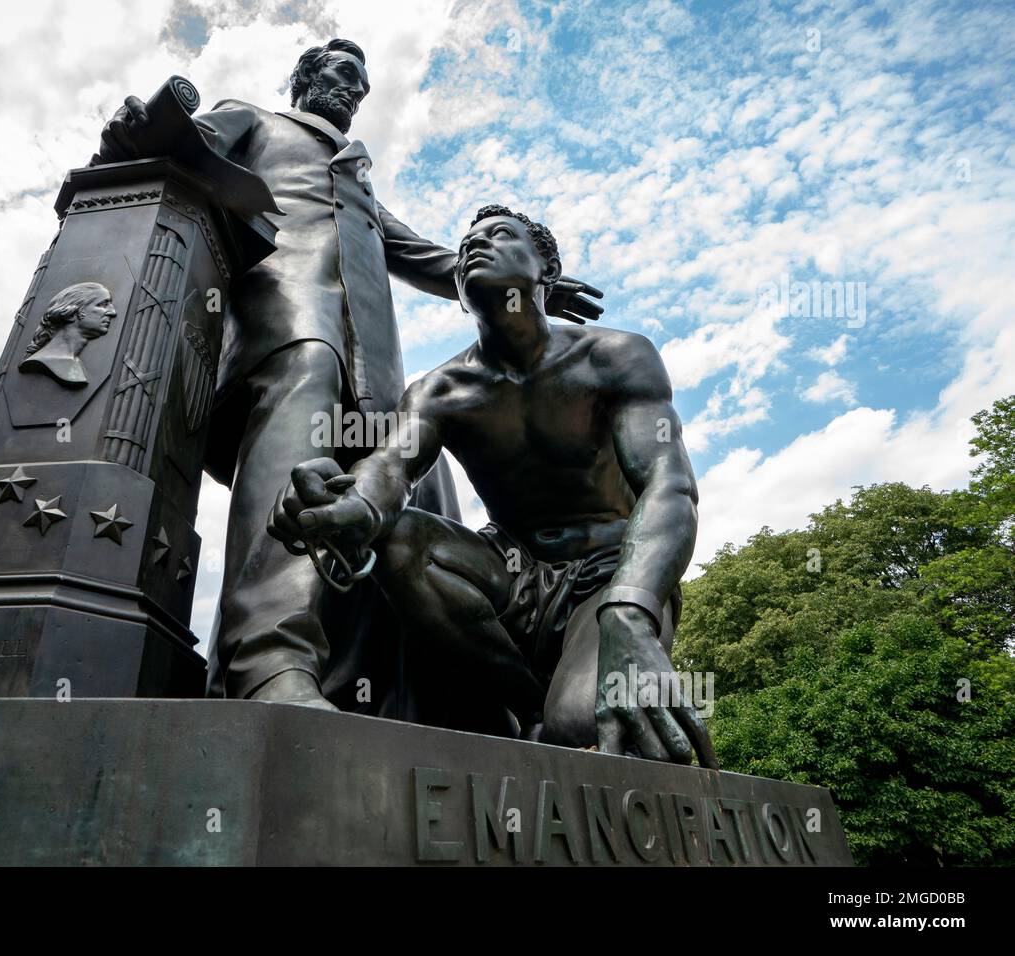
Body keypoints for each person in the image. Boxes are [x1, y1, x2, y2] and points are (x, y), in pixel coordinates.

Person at [91, 41, 603, 710]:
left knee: (413, 475)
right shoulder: (254, 122)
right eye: (339, 75)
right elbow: (173, 146)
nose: (350, 91)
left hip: (372, 370)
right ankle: (266, 662)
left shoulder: (359, 183)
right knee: (309, 384)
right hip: (286, 331)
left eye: (359, 84)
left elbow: (427, 256)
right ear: (303, 78)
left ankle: (434, 697)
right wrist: (128, 134)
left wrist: (529, 285)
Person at [269, 204, 715, 766]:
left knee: (582, 730)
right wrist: (349, 504)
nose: (475, 246)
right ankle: (527, 710)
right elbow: (391, 468)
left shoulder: (613, 356)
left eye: (500, 236)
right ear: (457, 290)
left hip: (607, 571)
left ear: (546, 271)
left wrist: (632, 610)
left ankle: (561, 709)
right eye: (465, 246)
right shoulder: (443, 388)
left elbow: (669, 487)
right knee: (399, 539)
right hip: (511, 576)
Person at [18, 282, 117, 387]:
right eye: (102, 304)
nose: (113, 312)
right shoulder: (43, 362)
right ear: (71, 314)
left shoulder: (75, 363)